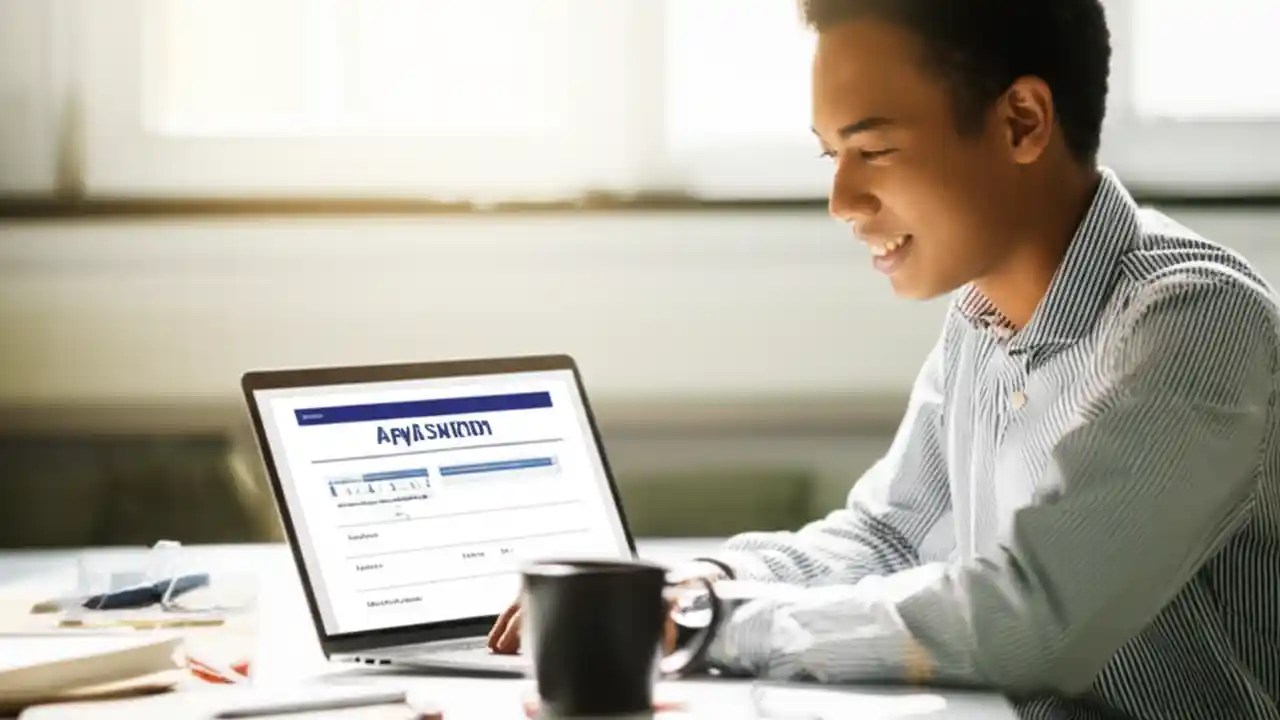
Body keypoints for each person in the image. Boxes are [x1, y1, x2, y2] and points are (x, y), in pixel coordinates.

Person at [491, 1, 1280, 717]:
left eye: (873, 148)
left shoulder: (1194, 321)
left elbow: (1035, 620)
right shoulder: (981, 318)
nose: (841, 200)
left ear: (1022, 122)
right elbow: (891, 536)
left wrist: (714, 628)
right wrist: (703, 584)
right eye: (830, 153)